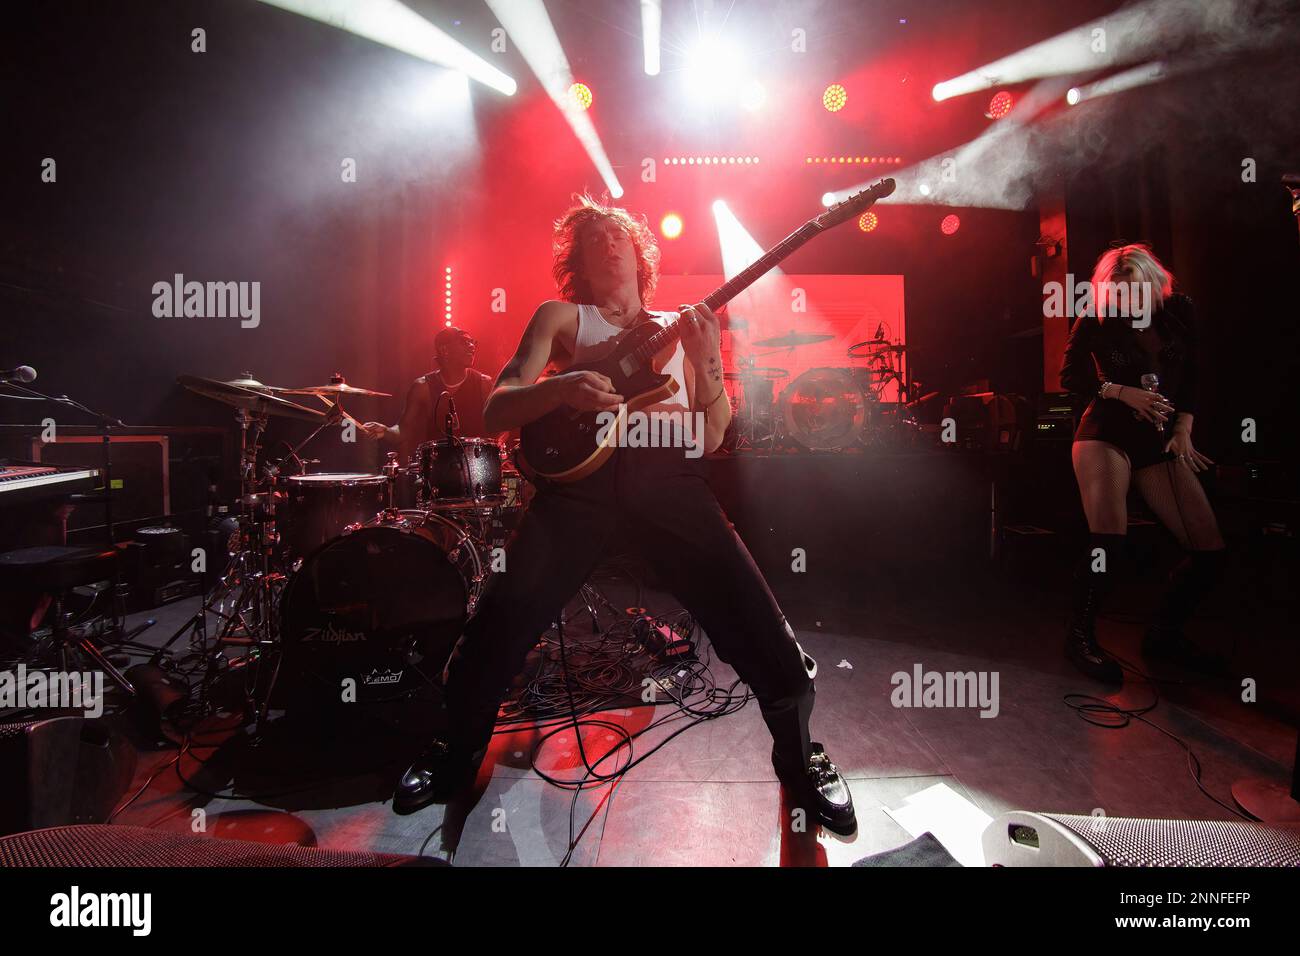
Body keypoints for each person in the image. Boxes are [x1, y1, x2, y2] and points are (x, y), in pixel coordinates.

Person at [393, 196, 856, 835]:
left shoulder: (683, 322)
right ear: (577, 261)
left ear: (640, 253)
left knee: (761, 631)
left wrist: (708, 362)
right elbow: (499, 407)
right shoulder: (561, 318)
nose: (608, 244)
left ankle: (801, 758)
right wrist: (558, 387)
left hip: (670, 480)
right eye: (594, 239)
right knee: (500, 623)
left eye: (618, 236)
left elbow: (713, 436)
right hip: (578, 489)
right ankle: (457, 749)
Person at [1059, 243, 1226, 682]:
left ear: (1154, 283)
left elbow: (1194, 374)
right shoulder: (1096, 316)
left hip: (1158, 440)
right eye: (1119, 293)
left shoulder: (1178, 312)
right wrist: (1118, 390)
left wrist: (1183, 428)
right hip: (1105, 435)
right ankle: (1079, 638)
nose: (1127, 302)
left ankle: (1163, 635)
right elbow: (1070, 376)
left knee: (1209, 551)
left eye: (1135, 292)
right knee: (1108, 543)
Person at [362, 326, 493, 462]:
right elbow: (402, 430)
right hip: (439, 471)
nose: (472, 346)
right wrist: (385, 431)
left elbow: (499, 428)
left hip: (478, 468)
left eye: (473, 342)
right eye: (464, 342)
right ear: (444, 350)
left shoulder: (484, 384)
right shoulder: (423, 387)